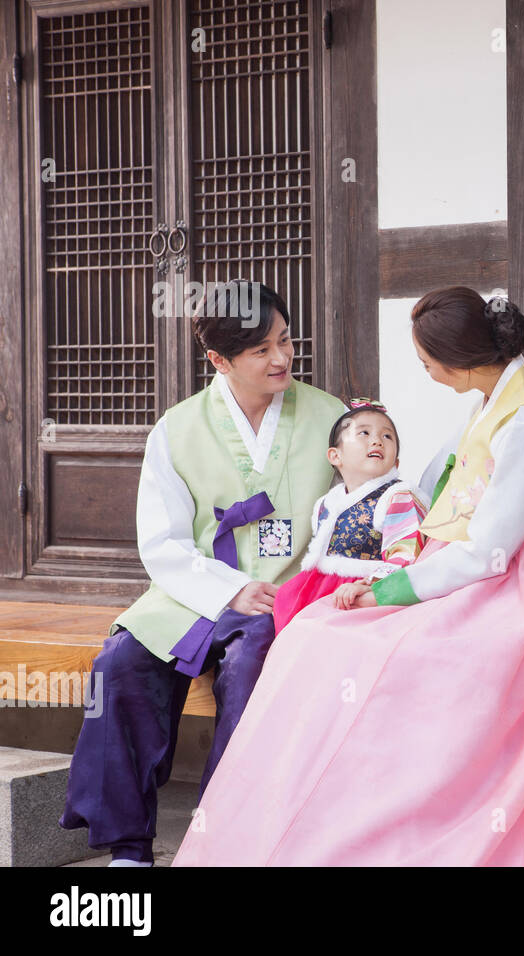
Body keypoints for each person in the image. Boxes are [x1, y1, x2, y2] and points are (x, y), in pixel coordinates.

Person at [173, 286, 524, 865]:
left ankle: (380, 823)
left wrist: (389, 590)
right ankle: (305, 818)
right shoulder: (494, 401)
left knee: (373, 652)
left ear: (459, 363)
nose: (426, 372)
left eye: (426, 363)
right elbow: (441, 484)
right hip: (478, 571)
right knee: (314, 634)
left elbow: (488, 550)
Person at [59, 280, 347, 866]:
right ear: (218, 360)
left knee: (249, 666)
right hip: (195, 590)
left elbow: (359, 510)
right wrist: (230, 589)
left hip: (287, 593)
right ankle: (130, 846)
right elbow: (160, 542)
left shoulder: (332, 418)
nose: (282, 359)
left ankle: (229, 836)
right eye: (262, 350)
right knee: (117, 664)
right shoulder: (177, 428)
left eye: (286, 341)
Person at [272, 401, 430, 633]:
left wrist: (370, 585)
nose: (376, 440)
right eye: (364, 433)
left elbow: (406, 554)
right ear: (335, 456)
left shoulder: (398, 496)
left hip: (362, 595)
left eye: (387, 437)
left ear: (395, 462)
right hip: (322, 588)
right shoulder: (326, 504)